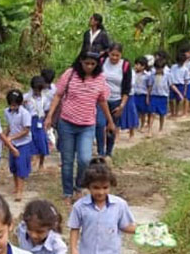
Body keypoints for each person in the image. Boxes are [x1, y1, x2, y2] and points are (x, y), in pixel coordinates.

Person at [46, 52, 112, 205]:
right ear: (81, 61)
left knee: (84, 159)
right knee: (67, 161)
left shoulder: (100, 78)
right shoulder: (70, 74)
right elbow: (58, 95)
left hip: (87, 125)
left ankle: (79, 187)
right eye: (86, 63)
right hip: (67, 123)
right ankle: (67, 192)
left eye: (93, 64)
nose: (89, 67)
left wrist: (110, 121)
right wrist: (49, 116)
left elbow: (102, 101)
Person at [70, 161, 136, 254]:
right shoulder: (80, 206)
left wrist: (145, 230)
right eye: (96, 188)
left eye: (105, 187)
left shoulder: (119, 205)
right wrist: (73, 249)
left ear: (110, 186)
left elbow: (125, 226)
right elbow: (74, 228)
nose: (100, 192)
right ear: (88, 186)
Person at [98, 43, 131, 156]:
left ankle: (109, 151)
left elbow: (127, 88)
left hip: (116, 100)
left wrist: (122, 105)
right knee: (100, 124)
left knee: (112, 126)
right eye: (112, 55)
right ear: (108, 53)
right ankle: (100, 151)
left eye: (117, 55)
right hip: (101, 100)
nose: (114, 58)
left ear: (121, 55)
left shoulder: (125, 65)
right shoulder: (102, 62)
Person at [3, 89, 34, 201]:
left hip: (23, 143)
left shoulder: (25, 114)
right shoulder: (6, 112)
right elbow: (9, 126)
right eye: (11, 105)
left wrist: (12, 137)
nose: (12, 107)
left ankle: (20, 191)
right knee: (13, 166)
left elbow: (26, 130)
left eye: (15, 105)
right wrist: (5, 137)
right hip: (13, 143)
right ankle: (16, 187)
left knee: (21, 166)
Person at [23, 75, 51, 172]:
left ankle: (41, 163)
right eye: (35, 90)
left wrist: (47, 121)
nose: (37, 92)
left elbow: (46, 110)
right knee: (30, 141)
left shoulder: (45, 98)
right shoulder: (26, 97)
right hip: (29, 121)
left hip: (40, 121)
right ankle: (30, 162)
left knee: (42, 141)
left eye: (39, 90)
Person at [149, 58, 170, 133]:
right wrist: (148, 96)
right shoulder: (152, 75)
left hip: (163, 96)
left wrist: (179, 93)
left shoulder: (167, 75)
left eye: (160, 69)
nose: (158, 70)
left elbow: (171, 85)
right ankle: (149, 130)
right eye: (156, 69)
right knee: (152, 113)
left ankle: (161, 128)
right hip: (154, 96)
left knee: (162, 113)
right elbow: (150, 86)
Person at [170, 51, 188, 118]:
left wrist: (185, 90)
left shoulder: (185, 69)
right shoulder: (173, 67)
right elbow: (170, 75)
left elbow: (186, 80)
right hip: (173, 84)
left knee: (178, 100)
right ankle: (172, 113)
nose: (180, 63)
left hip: (181, 85)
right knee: (171, 100)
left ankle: (176, 113)